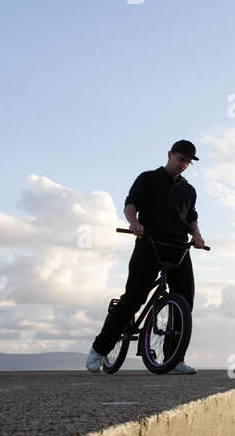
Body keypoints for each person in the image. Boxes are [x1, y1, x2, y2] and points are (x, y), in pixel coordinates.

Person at [87, 140, 204, 375]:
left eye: (188, 162)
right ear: (170, 155)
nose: (184, 165)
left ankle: (174, 359)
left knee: (184, 301)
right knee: (134, 298)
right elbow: (131, 205)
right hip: (149, 243)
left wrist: (198, 235)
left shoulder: (188, 190)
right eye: (181, 159)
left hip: (179, 247)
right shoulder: (148, 178)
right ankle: (99, 350)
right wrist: (134, 223)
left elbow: (191, 217)